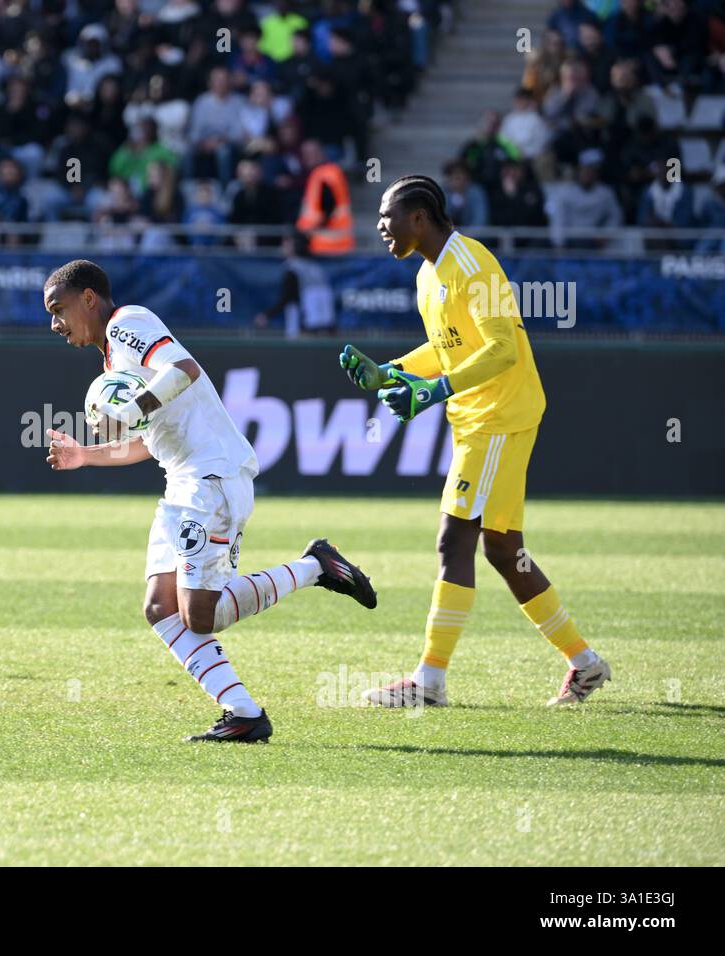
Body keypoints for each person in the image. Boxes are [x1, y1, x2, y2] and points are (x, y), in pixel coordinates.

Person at [42, 259, 376, 743]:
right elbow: (148, 440)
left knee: (201, 614)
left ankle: (315, 567)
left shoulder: (126, 323)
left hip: (211, 478)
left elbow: (184, 369)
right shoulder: (115, 361)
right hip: (180, 483)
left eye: (59, 309)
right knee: (160, 608)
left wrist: (130, 408)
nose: (55, 323)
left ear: (88, 299)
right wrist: (85, 456)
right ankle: (242, 712)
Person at [340, 175, 610, 708]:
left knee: (454, 540)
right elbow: (447, 348)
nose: (379, 228)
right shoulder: (427, 275)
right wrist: (390, 372)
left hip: (496, 417)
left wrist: (432, 393)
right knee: (505, 550)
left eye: (386, 217)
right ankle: (584, 662)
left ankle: (429, 681)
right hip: (482, 417)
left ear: (419, 217)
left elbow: (503, 348)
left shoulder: (471, 263)